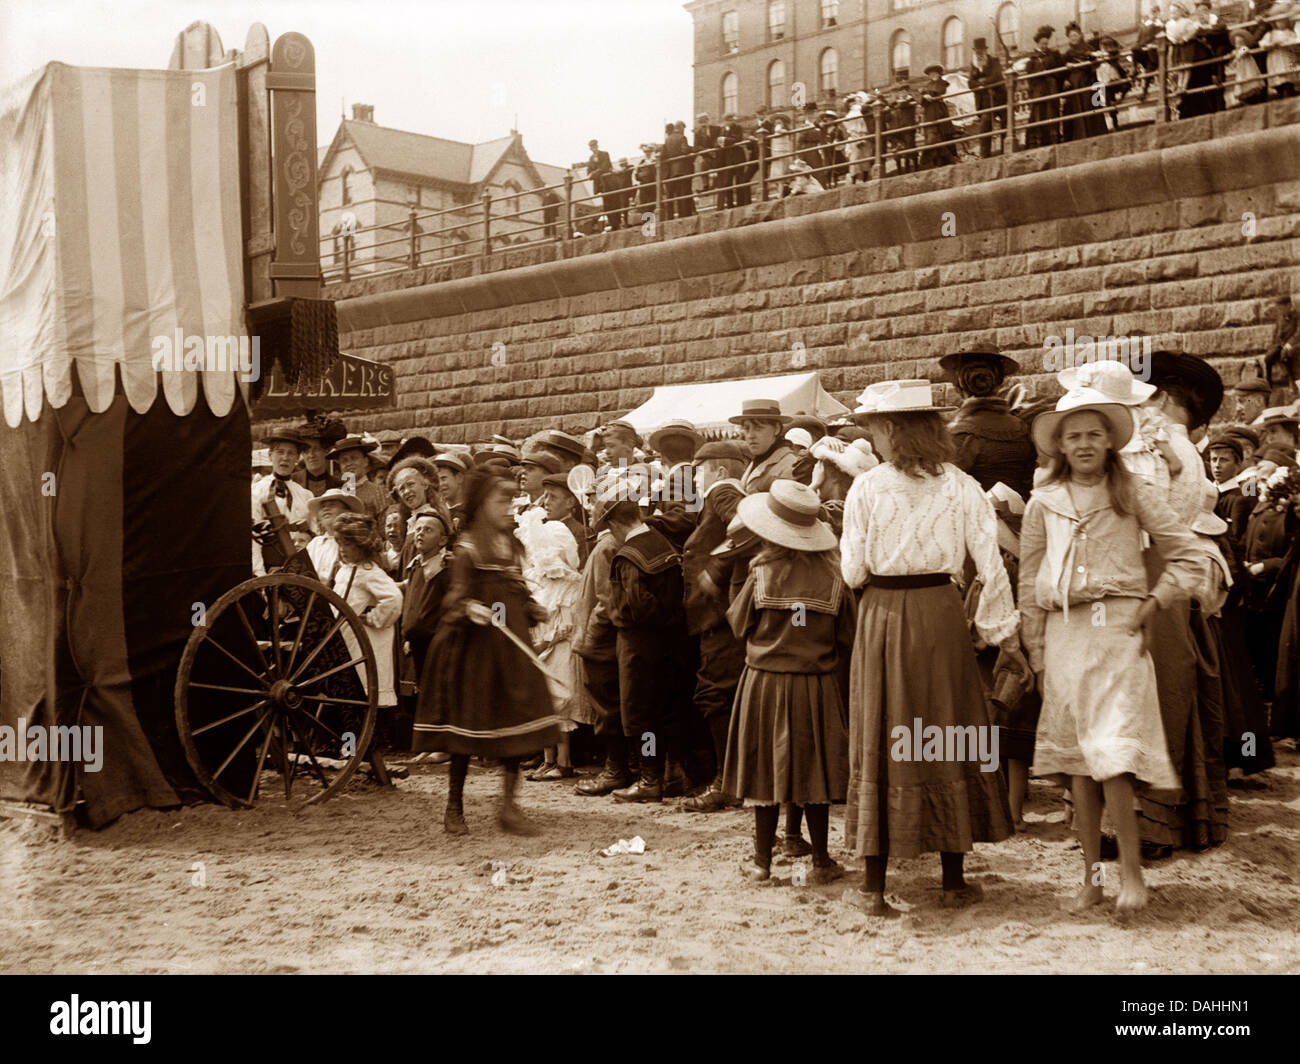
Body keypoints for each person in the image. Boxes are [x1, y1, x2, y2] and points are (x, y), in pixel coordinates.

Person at [840, 380, 1029, 917]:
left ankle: (874, 887)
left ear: (893, 429)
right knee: (945, 729)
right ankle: (951, 881)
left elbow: (853, 569)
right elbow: (990, 568)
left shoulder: (868, 488)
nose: (872, 437)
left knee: (882, 728)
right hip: (942, 616)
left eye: (874, 427)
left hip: (884, 617)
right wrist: (1002, 636)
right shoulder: (963, 485)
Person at [1021, 386, 1201, 911]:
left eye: (1093, 435)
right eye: (1073, 436)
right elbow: (1030, 578)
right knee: (1079, 762)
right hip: (1065, 633)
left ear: (1108, 442)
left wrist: (1153, 602)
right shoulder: (1044, 502)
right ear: (1059, 445)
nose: (1083, 444)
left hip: (1118, 630)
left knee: (1115, 755)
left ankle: (1132, 877)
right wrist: (1035, 650)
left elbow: (1187, 555)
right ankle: (1090, 879)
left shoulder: (1134, 492)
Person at [412, 470, 563, 835]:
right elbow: (454, 597)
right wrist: (468, 608)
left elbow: (514, 585)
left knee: (516, 724)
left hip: (509, 648)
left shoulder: (508, 544)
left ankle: (509, 808)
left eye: (510, 501)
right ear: (481, 505)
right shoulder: (467, 547)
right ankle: (454, 807)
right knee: (466, 730)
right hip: (472, 651)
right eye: (500, 501)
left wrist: (530, 607)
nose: (506, 508)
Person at [724, 481, 854, 884]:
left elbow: (738, 624)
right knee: (812, 774)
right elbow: (849, 636)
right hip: (815, 685)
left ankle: (762, 862)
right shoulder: (837, 578)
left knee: (766, 772)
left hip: (764, 683)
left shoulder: (761, 573)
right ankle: (820, 861)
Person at [597, 486, 693, 803]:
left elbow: (638, 608)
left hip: (638, 645)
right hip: (671, 642)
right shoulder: (662, 544)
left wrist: (616, 612)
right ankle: (674, 773)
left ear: (614, 524)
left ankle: (650, 777)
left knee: (640, 715)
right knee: (668, 708)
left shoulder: (628, 556)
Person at [678, 440, 748, 812]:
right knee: (720, 696)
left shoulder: (723, 491)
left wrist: (716, 571)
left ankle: (728, 782)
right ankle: (729, 778)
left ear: (719, 471)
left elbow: (748, 526)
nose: (696, 477)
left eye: (700, 468)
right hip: (719, 616)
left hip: (721, 617)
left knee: (716, 696)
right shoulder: (718, 495)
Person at [516, 505, 587, 782]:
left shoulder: (570, 586)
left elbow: (568, 626)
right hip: (542, 650)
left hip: (559, 651)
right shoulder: (541, 584)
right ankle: (547, 760)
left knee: (560, 704)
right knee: (544, 704)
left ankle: (564, 761)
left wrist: (549, 640)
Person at [332, 513, 405, 762]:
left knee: (363, 696)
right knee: (349, 697)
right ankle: (351, 747)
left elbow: (394, 599)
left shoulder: (369, 571)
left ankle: (364, 747)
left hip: (369, 642)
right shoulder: (345, 569)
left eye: (348, 544)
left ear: (362, 546)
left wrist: (373, 618)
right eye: (340, 543)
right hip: (348, 639)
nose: (343, 549)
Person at [942, 344, 1037, 501]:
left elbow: (949, 493)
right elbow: (1029, 483)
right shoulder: (1023, 427)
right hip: (1019, 520)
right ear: (999, 381)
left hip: (977, 521)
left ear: (959, 385)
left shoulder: (960, 434)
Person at [252, 429, 314, 576]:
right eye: (280, 452)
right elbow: (253, 538)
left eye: (291, 453)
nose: (285, 458)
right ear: (270, 455)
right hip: (270, 565)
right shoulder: (256, 491)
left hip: (299, 569)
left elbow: (313, 535)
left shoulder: (306, 495)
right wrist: (259, 573)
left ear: (297, 458)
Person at [731, 399, 800, 493]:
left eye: (758, 428)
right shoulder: (758, 459)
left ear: (776, 429)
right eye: (747, 429)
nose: (751, 435)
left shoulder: (789, 465)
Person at [1060, 22, 1107, 140]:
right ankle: (1082, 134)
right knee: (1079, 106)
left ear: (1080, 35)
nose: (1073, 38)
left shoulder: (1089, 48)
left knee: (1094, 104)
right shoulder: (1068, 53)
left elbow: (1096, 61)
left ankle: (1098, 133)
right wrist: (1067, 67)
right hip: (1076, 82)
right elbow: (1062, 69)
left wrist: (1092, 57)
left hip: (1090, 79)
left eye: (1075, 35)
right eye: (1071, 36)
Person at [328, 434, 388, 521]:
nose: (349, 463)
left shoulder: (378, 492)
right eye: (344, 460)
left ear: (365, 461)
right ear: (340, 466)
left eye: (354, 458)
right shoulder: (337, 495)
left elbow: (385, 525)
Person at [1025, 26, 1063, 148]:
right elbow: (1029, 76)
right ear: (1038, 43)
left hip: (1051, 87)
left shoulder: (1053, 55)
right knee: (1039, 114)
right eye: (1042, 43)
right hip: (1038, 89)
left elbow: (1059, 69)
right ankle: (1040, 141)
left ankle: (1054, 138)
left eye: (1046, 43)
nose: (1044, 46)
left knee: (1052, 112)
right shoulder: (1032, 58)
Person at [969, 37, 1007, 157]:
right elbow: (970, 83)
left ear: (985, 51)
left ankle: (1006, 151)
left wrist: (982, 82)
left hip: (999, 98)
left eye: (981, 51)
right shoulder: (974, 66)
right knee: (985, 124)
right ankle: (985, 155)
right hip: (985, 102)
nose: (979, 54)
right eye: (977, 51)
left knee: (1006, 122)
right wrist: (982, 82)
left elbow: (996, 77)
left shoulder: (994, 61)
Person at [919, 65, 958, 167]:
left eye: (935, 73)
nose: (933, 75)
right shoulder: (928, 85)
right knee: (932, 138)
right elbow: (921, 102)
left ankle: (949, 159)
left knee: (944, 136)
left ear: (939, 74)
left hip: (940, 112)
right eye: (931, 74)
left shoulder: (942, 83)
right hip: (930, 114)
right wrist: (924, 96)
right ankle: (932, 162)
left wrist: (926, 93)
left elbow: (940, 91)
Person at [293, 421, 345, 497]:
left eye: (316, 449)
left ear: (326, 451)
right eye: (306, 450)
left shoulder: (338, 485)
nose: (311, 455)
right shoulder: (292, 481)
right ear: (302, 453)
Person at [433, 451, 469, 534]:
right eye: (437, 480)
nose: (440, 484)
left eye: (444, 478)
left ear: (459, 478)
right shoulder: (436, 512)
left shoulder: (471, 512)